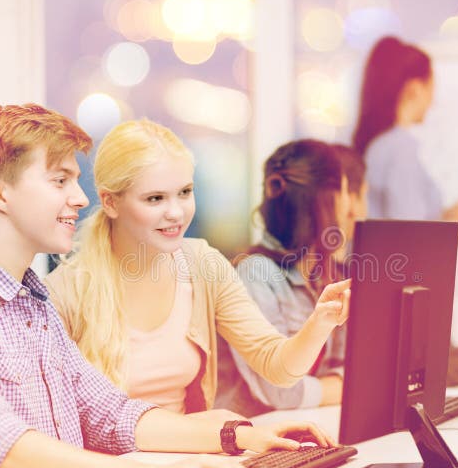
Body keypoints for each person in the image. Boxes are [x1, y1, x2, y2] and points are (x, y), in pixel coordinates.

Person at [0, 104, 337, 468]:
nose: (81, 200)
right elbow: (1, 448)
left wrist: (234, 435)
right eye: (60, 181)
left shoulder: (27, 300)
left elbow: (110, 413)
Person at [45, 119, 351, 416]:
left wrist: (320, 322)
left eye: (185, 192)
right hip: (118, 465)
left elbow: (278, 369)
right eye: (155, 199)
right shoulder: (65, 292)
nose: (176, 212)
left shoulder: (203, 265)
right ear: (110, 202)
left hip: (189, 458)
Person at [215, 141, 356, 417]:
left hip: (306, 423)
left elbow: (347, 363)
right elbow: (280, 392)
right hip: (251, 435)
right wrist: (342, 388)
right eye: (346, 189)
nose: (351, 206)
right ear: (331, 199)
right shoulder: (255, 274)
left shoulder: (329, 274)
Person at [352, 36, 458, 241]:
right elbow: (409, 239)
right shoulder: (400, 148)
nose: (433, 100)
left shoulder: (381, 144)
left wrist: (450, 215)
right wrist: (453, 234)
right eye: (431, 88)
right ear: (414, 88)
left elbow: (401, 223)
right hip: (396, 271)